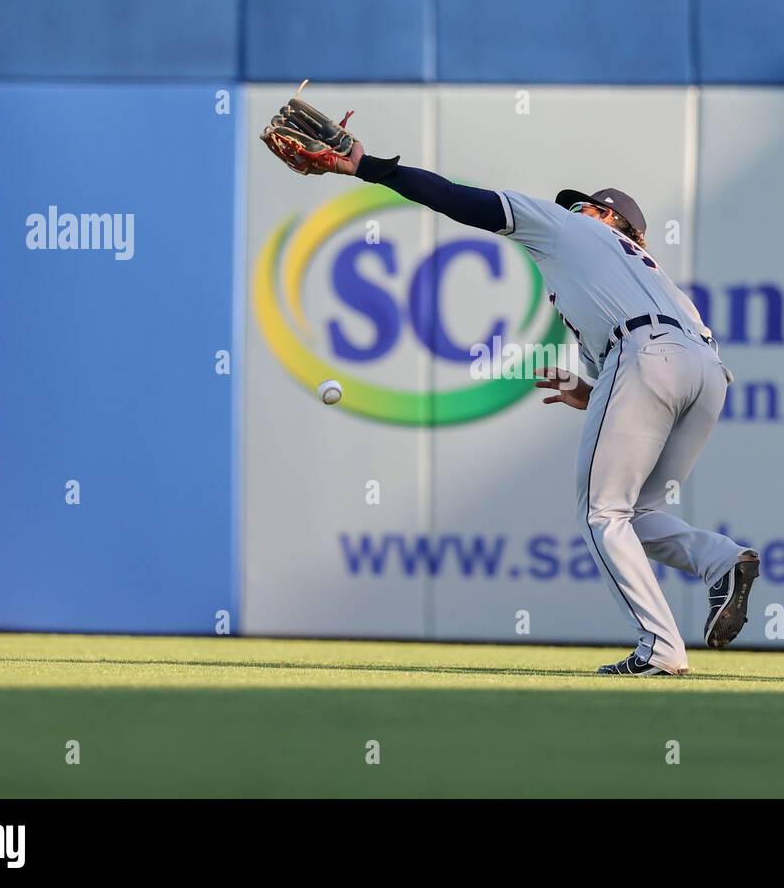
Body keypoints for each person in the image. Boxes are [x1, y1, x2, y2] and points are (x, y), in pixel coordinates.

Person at [310, 136, 759, 676]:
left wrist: (368, 167)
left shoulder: (569, 227)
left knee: (601, 513)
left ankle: (661, 649)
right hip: (708, 373)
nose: (573, 206)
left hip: (643, 354)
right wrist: (595, 392)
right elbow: (666, 375)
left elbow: (458, 199)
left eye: (584, 203)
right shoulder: (653, 276)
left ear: (604, 216)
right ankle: (721, 561)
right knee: (633, 513)